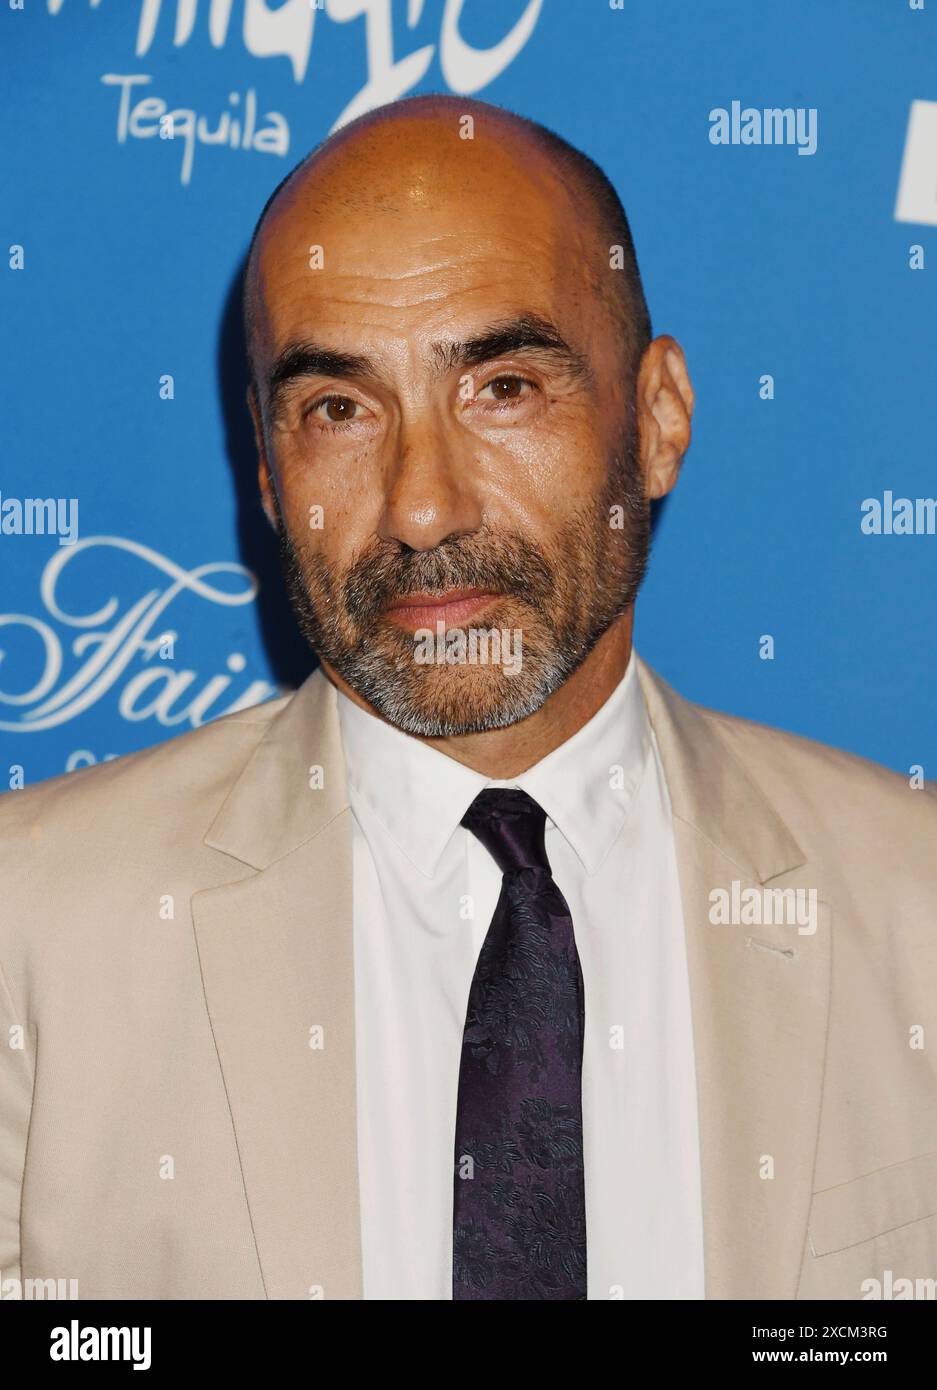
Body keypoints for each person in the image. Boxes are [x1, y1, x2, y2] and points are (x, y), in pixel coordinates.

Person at [1, 94, 935, 1302]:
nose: (423, 506)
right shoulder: (32, 931)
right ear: (271, 472)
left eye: (502, 387)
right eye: (339, 409)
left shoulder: (911, 908)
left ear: (656, 421)